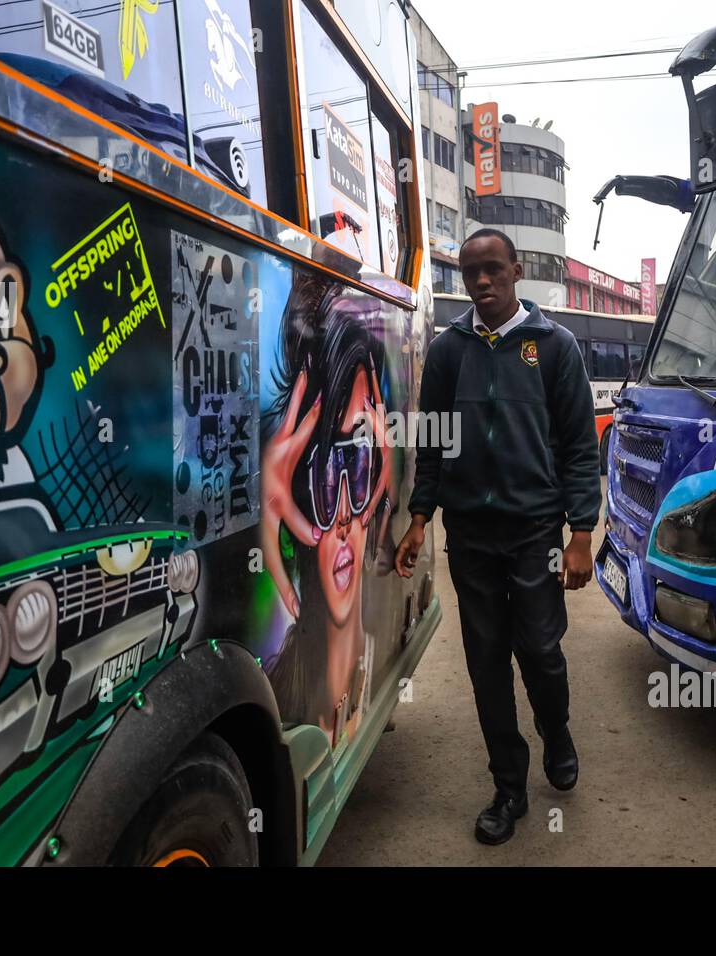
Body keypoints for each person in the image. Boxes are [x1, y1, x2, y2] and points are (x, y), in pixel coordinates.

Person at [395, 228, 600, 845]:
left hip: (536, 527)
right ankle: (508, 787)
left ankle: (555, 730)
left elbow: (580, 449)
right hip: (471, 534)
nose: (481, 282)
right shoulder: (449, 351)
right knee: (486, 665)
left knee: (539, 650)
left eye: (492, 270)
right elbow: (430, 444)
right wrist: (420, 516)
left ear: (516, 270)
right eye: (469, 272)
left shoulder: (554, 347)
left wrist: (581, 532)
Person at [261, 278, 393, 750]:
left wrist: (384, 464)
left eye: (355, 461)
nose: (342, 517)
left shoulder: (382, 659)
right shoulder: (272, 699)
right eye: (322, 474)